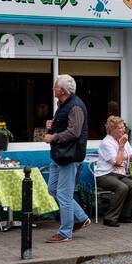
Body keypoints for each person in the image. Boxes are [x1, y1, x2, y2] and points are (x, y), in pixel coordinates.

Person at [42, 75, 91, 242]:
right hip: (59, 155)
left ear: (62, 90)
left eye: (55, 86)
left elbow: (75, 132)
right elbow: (66, 126)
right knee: (53, 189)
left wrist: (53, 137)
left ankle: (65, 233)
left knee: (63, 193)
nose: (53, 88)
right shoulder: (63, 105)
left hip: (70, 155)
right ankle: (81, 217)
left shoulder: (75, 106)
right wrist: (52, 125)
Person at [92, 115, 132, 229]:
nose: (123, 130)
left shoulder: (124, 140)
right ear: (113, 130)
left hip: (119, 174)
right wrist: (121, 146)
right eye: (120, 128)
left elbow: (131, 157)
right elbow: (117, 162)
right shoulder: (106, 143)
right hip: (104, 175)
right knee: (122, 187)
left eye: (123, 127)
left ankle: (124, 215)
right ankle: (110, 217)